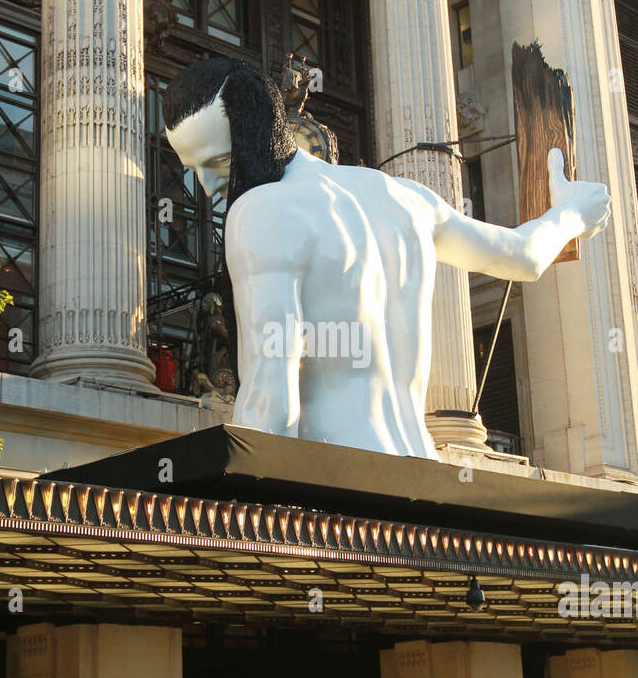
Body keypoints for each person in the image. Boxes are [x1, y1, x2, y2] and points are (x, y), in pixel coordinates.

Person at [162, 58, 611, 460]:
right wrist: (570, 214)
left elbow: (271, 403)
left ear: (257, 135)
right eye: (191, 168)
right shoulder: (405, 198)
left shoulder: (261, 210)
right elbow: (523, 256)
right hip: (417, 469)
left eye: (219, 162)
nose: (206, 186)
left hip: (334, 488)